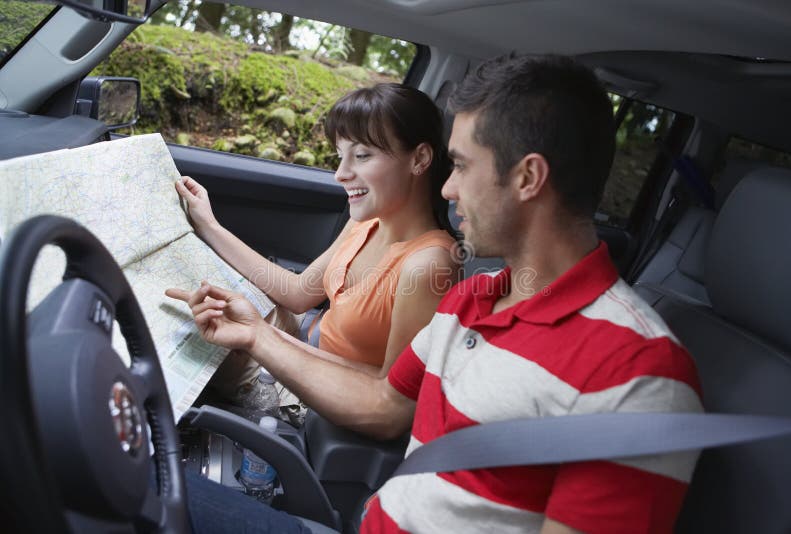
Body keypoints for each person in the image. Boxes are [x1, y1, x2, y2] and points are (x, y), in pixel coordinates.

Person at [169, 54, 703, 533]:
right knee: (128, 467)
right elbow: (383, 402)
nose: (447, 187)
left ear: (528, 178)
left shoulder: (638, 376)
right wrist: (257, 335)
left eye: (463, 166)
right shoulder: (475, 302)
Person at [174, 83, 459, 407]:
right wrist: (209, 226)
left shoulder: (429, 265)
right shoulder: (367, 220)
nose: (340, 174)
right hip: (305, 337)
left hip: (319, 389)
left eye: (362, 156)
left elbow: (390, 396)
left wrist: (264, 339)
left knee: (179, 335)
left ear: (419, 158)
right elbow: (298, 294)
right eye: (341, 157)